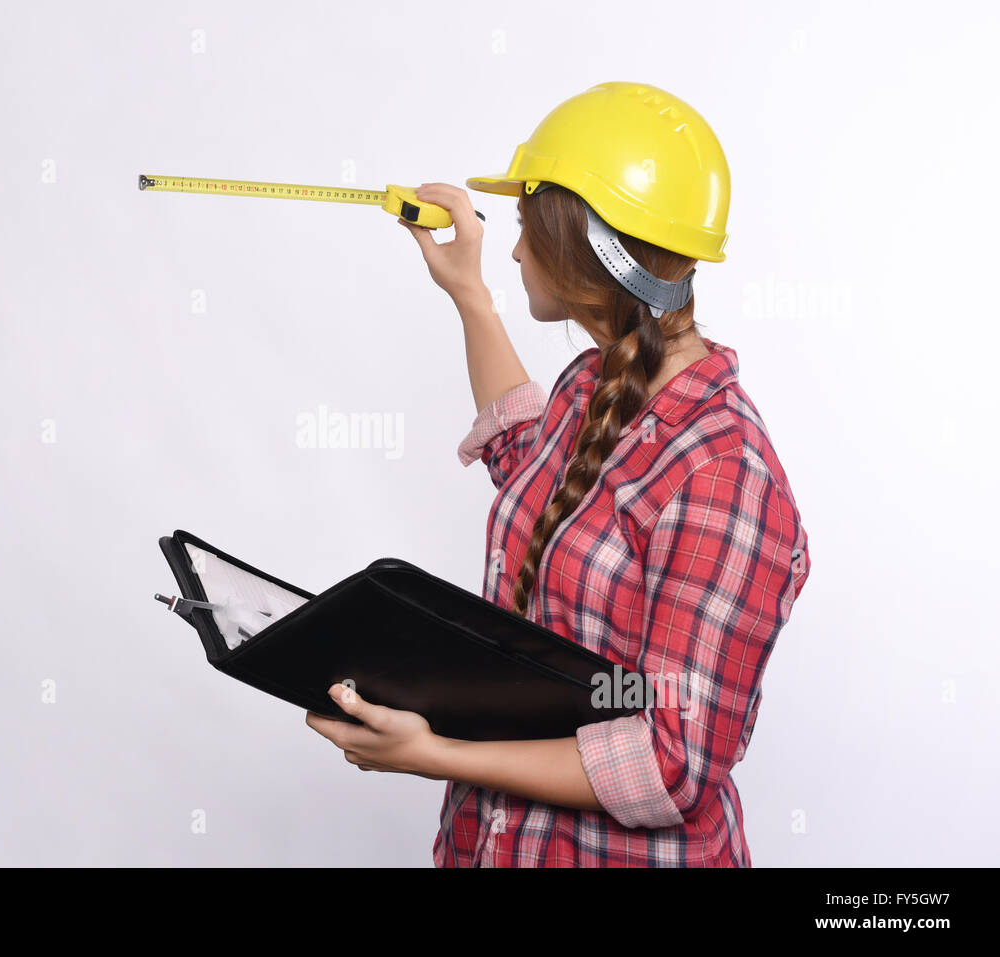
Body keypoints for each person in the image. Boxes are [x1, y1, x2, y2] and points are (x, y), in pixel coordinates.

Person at [304, 81, 811, 867]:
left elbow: (670, 759)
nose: (511, 250)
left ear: (583, 244)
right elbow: (526, 466)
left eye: (523, 227)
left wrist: (433, 752)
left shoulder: (722, 476)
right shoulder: (595, 381)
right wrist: (469, 290)